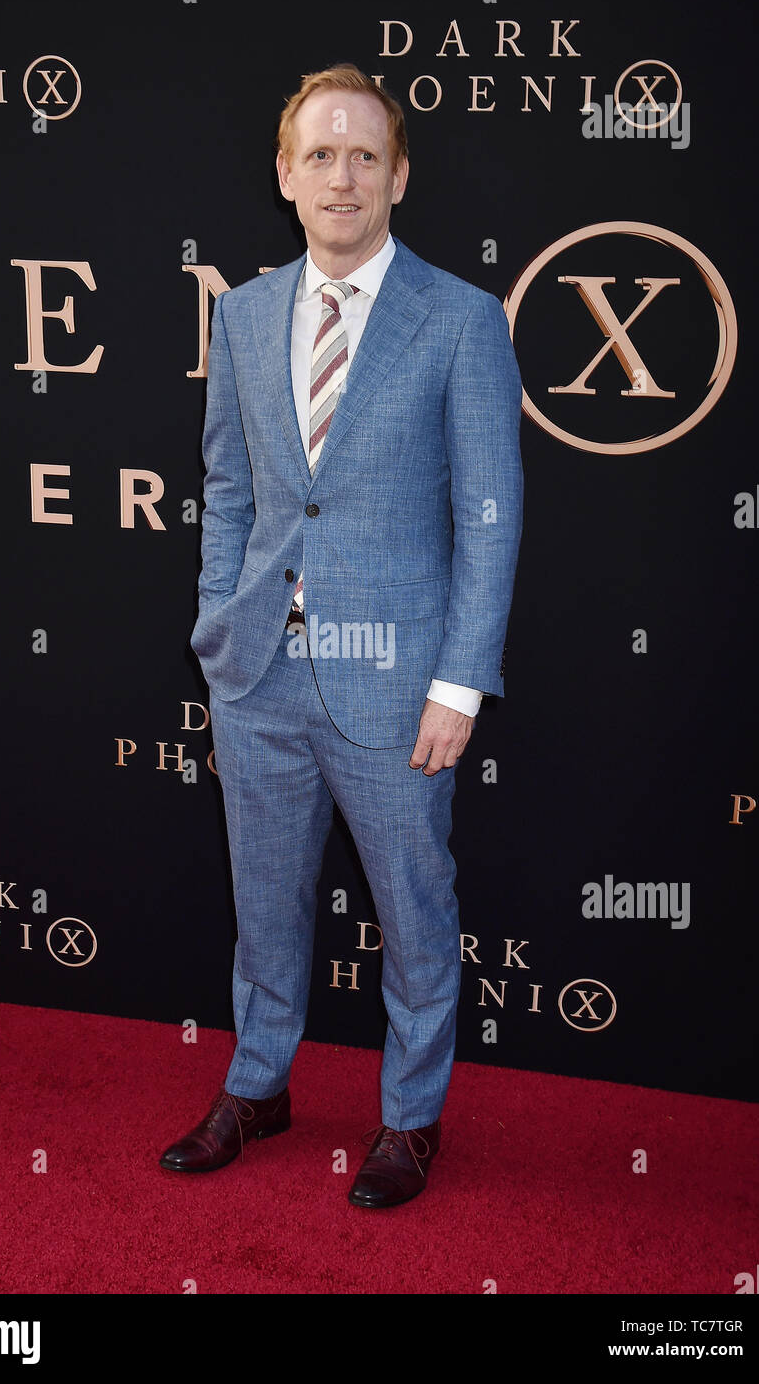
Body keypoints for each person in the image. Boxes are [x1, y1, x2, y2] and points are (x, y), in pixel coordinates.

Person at [160, 63, 524, 1208]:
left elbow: (490, 514)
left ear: (399, 176)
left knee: (414, 911)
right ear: (284, 174)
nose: (342, 174)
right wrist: (220, 626)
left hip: (397, 678)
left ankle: (410, 1118)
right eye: (319, 153)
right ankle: (258, 1083)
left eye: (364, 153)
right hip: (258, 671)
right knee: (264, 904)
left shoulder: (461, 321)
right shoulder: (245, 311)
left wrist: (459, 684)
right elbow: (228, 484)